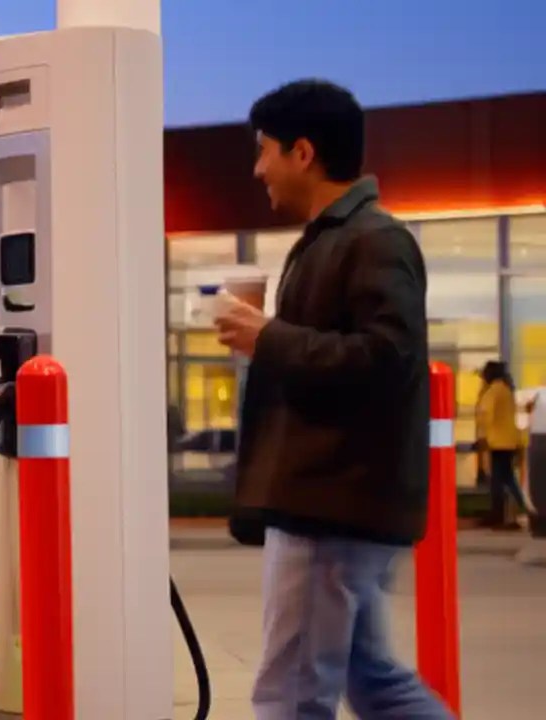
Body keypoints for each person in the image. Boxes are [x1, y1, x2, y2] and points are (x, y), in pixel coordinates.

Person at [214, 79, 454, 719]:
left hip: (330, 500)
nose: (256, 166)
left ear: (303, 151)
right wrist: (270, 339)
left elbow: (388, 359)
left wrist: (270, 337)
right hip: (335, 500)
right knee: (375, 681)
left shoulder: (373, 240)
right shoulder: (336, 238)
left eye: (263, 149)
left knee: (291, 694)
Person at [476, 360, 534, 528]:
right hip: (508, 441)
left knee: (498, 480)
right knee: (507, 478)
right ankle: (523, 509)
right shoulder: (506, 389)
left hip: (497, 441)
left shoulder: (494, 390)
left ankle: (498, 514)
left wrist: (482, 437)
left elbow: (486, 414)